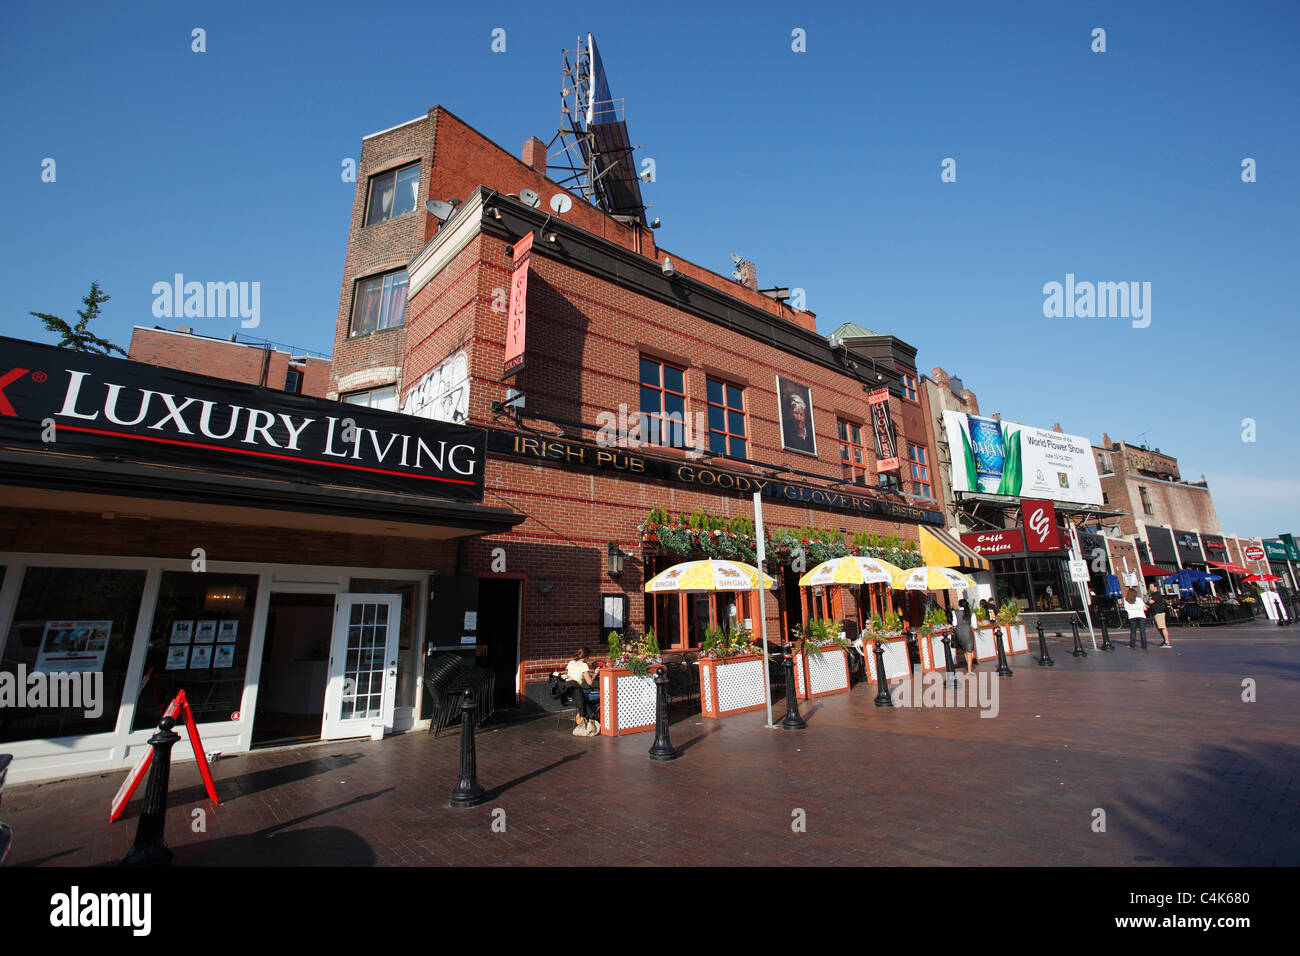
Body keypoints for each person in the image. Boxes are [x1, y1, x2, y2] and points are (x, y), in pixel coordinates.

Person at [564, 647, 601, 736]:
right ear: (586, 657)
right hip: (579, 695)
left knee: (588, 695)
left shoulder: (570, 663)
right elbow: (590, 683)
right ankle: (590, 717)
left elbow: (571, 676)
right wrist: (595, 673)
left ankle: (585, 715)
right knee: (601, 695)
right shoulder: (583, 665)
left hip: (569, 694)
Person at [954, 598, 976, 675]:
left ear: (959, 604)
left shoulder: (955, 612)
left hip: (959, 631)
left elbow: (954, 623)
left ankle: (968, 667)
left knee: (964, 650)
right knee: (969, 651)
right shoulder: (971, 613)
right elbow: (975, 626)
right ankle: (969, 670)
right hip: (968, 631)